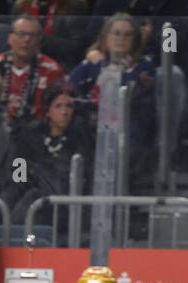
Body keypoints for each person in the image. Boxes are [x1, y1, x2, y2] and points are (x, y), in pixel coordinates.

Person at [66, 13, 155, 190]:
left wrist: (105, 68)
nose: (121, 38)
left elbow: (133, 95)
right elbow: (67, 86)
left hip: (127, 128)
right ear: (105, 37)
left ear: (135, 40)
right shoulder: (92, 63)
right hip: (90, 128)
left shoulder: (144, 66)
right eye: (116, 33)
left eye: (128, 34)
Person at [6, 83, 94, 225]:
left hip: (67, 205)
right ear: (48, 111)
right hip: (31, 198)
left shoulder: (81, 138)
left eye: (69, 106)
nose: (64, 112)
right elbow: (18, 170)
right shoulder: (29, 136)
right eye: (58, 106)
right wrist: (27, 184)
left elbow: (87, 175)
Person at [0, 14, 66, 126]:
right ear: (10, 38)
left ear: (40, 41)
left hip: (37, 131)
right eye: (21, 34)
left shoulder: (52, 71)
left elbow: (61, 110)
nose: (27, 40)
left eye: (33, 35)